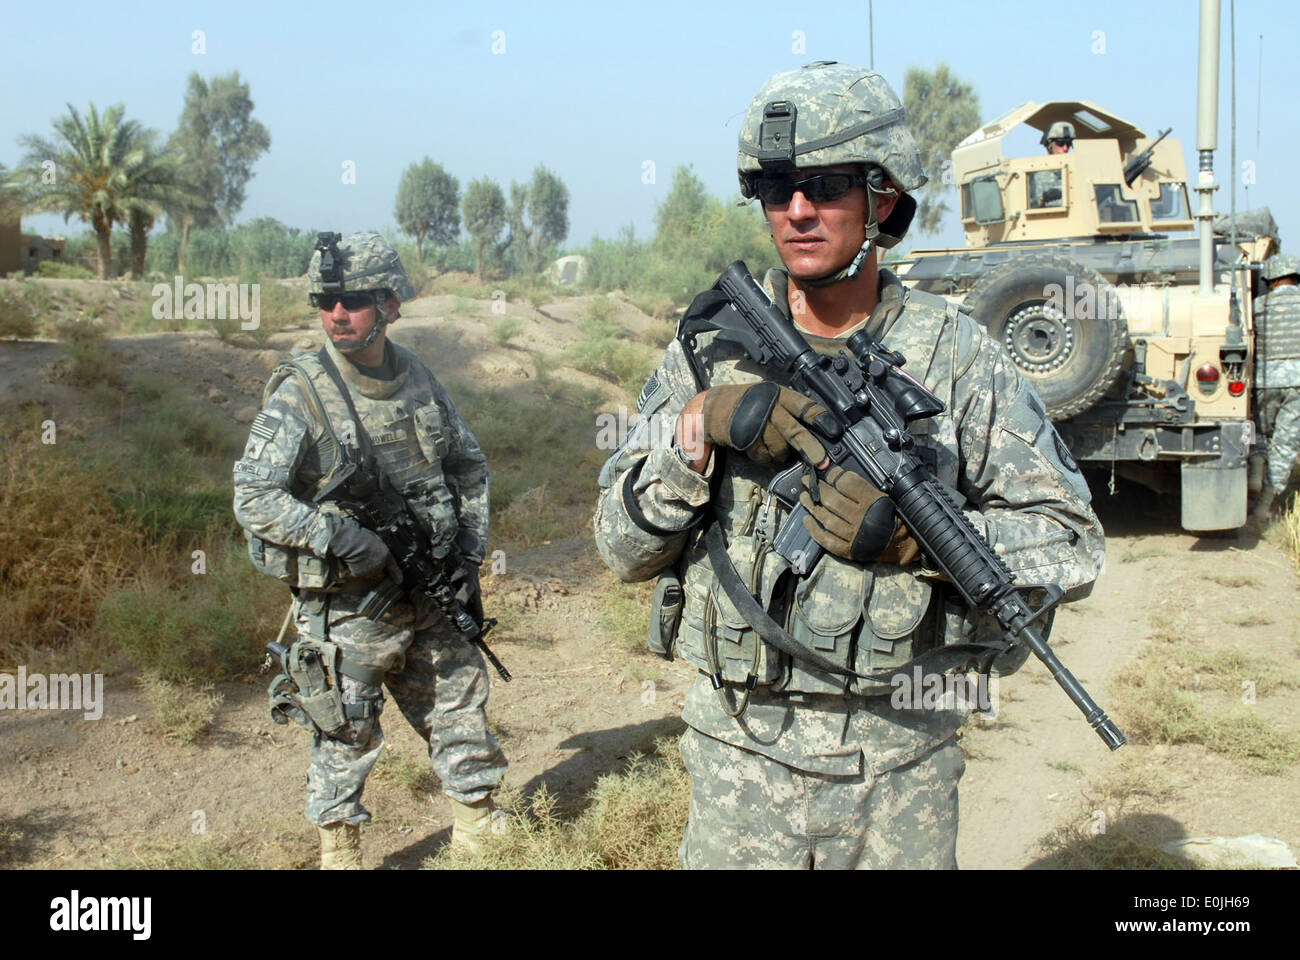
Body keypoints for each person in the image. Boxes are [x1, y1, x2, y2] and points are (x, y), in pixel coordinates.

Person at [593, 62, 1105, 870]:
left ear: (884, 198)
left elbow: (1072, 541)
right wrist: (700, 427)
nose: (796, 210)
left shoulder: (957, 356)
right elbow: (620, 548)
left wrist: (921, 541)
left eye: (825, 186)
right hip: (737, 760)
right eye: (774, 188)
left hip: (897, 764)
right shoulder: (712, 352)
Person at [233, 231, 506, 869]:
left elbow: (468, 465)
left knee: (460, 704)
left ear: (391, 305)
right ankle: (341, 853)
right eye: (325, 300)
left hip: (431, 586)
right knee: (344, 727)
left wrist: (467, 557)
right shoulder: (300, 392)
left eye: (353, 300)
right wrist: (339, 537)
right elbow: (254, 496)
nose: (336, 314)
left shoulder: (418, 377)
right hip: (351, 603)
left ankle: (478, 835)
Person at [1253, 253, 1300, 519]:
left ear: (1271, 280)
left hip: (1266, 380)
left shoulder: (1260, 305)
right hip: (1298, 383)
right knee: (1285, 442)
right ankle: (1263, 506)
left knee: (1260, 429)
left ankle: (1256, 471)